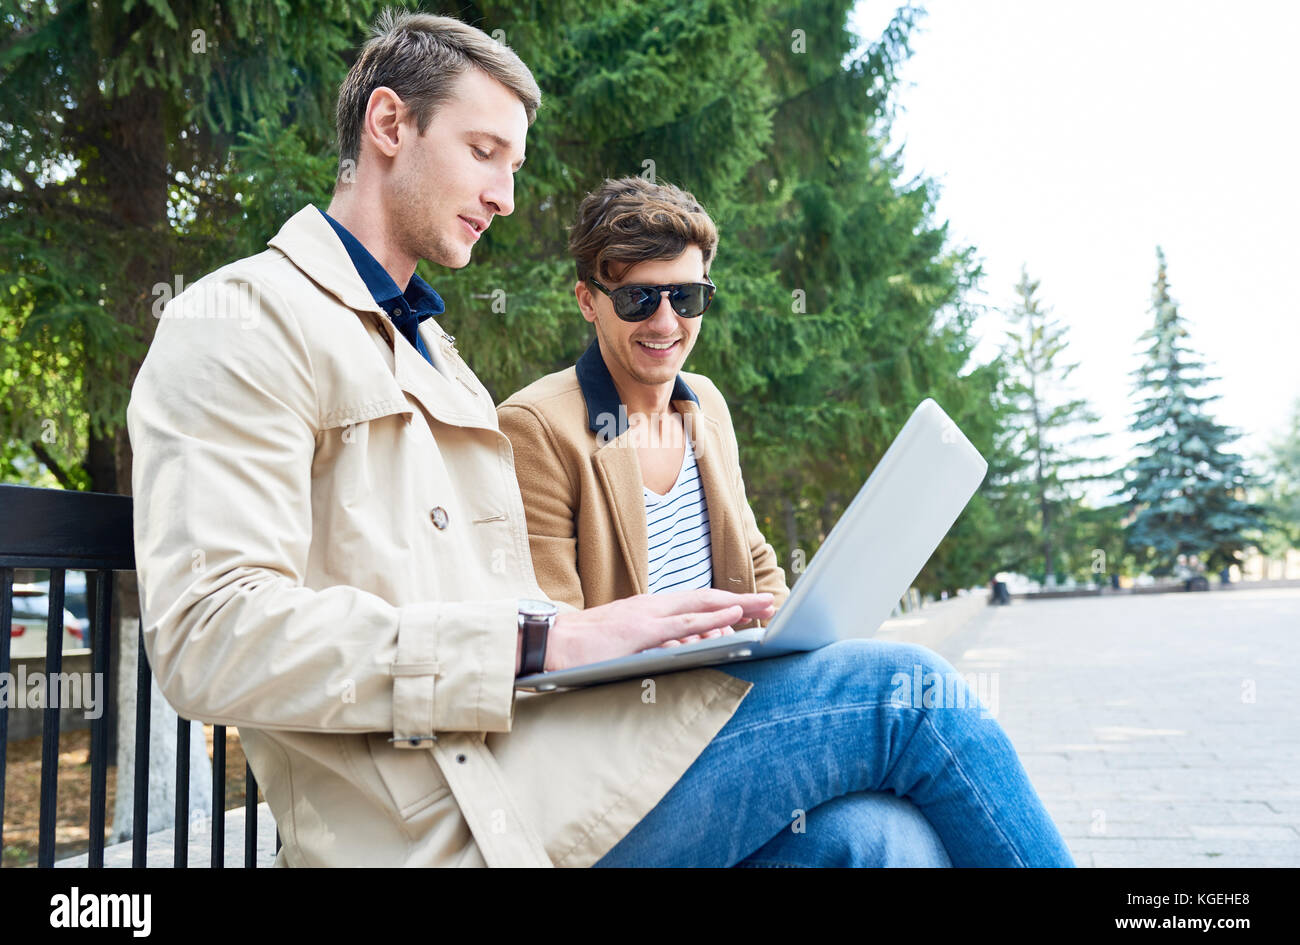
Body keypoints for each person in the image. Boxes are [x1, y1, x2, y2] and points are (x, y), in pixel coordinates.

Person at [127, 9, 1073, 868]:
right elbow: (211, 635)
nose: (503, 194)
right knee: (908, 692)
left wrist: (663, 639)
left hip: (543, 764)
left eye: (516, 166)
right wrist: (543, 642)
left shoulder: (439, 360)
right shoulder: (240, 321)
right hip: (446, 822)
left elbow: (517, 614)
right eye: (484, 151)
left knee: (882, 842)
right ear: (388, 126)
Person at [497, 177, 953, 866]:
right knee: (915, 693)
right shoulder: (534, 426)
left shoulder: (703, 404)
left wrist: (807, 614)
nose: (665, 321)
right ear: (587, 300)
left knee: (888, 838)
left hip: (727, 717)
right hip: (622, 768)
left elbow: (756, 565)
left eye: (686, 296)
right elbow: (549, 653)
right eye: (637, 297)